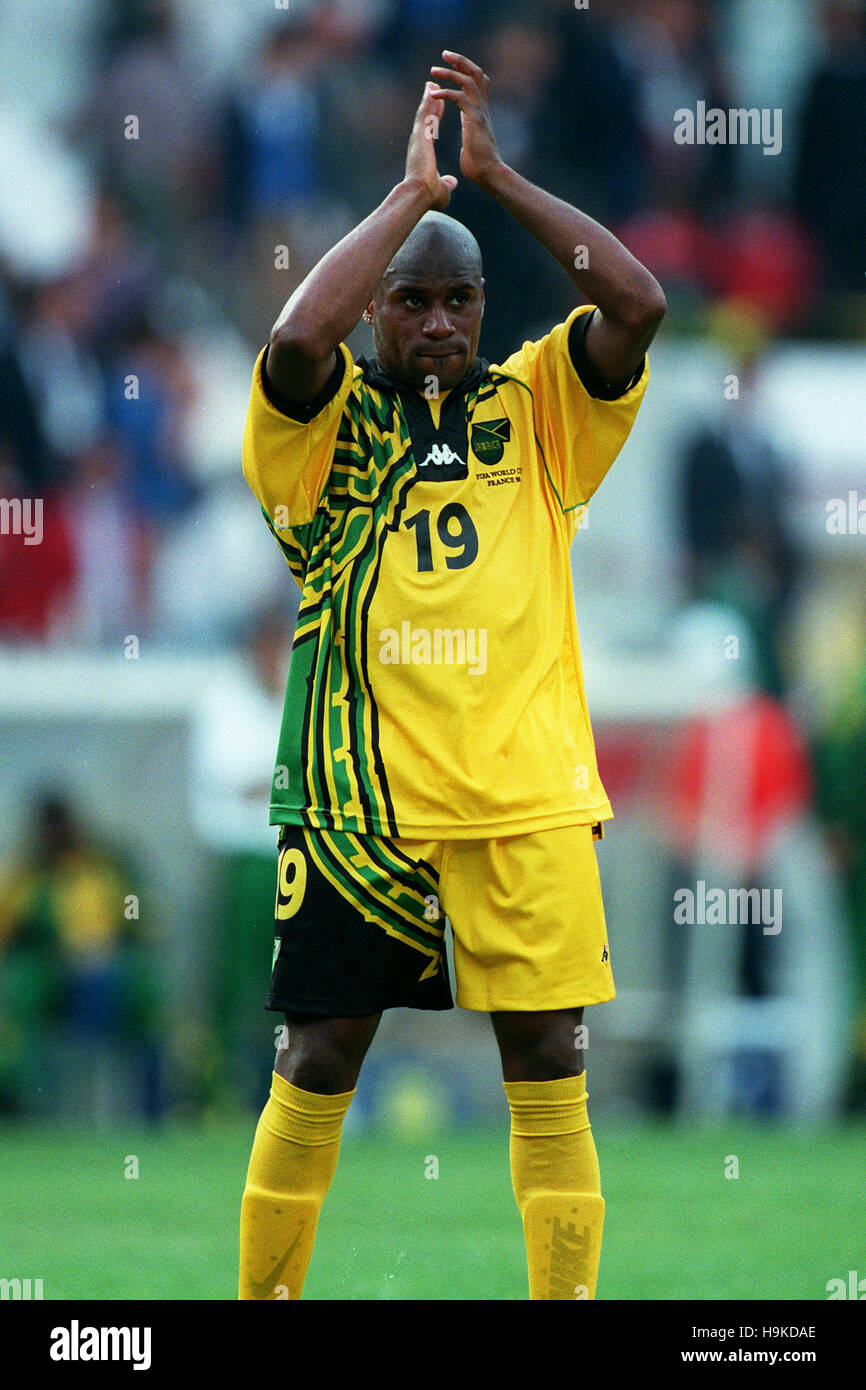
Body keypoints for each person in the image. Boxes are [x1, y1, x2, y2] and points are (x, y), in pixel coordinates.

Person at [239, 51, 665, 1301]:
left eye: (456, 303)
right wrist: (410, 203)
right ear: (382, 306)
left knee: (548, 1061)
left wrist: (494, 179)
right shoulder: (321, 429)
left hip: (522, 804)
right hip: (358, 810)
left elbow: (633, 302)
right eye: (412, 301)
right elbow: (292, 334)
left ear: (485, 312)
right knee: (316, 1059)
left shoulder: (539, 408)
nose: (434, 323)